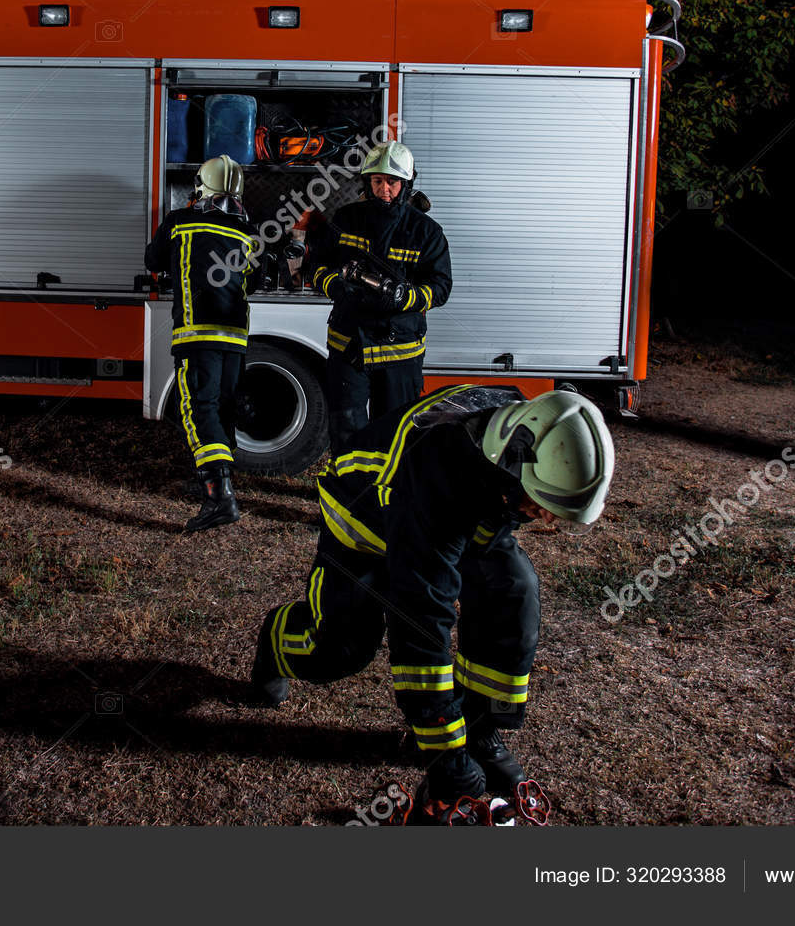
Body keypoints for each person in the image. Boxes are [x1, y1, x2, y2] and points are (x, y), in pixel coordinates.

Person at [249, 386, 616, 815]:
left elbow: (486, 510)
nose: (550, 520)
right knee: (342, 649)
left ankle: (480, 728)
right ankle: (277, 644)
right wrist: (443, 750)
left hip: (458, 509)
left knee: (512, 592)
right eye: (547, 506)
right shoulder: (440, 471)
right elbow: (422, 621)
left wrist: (468, 742)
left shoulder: (520, 435)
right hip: (368, 518)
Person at [307, 141, 450, 455]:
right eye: (378, 181)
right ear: (367, 183)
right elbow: (315, 266)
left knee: (397, 430)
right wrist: (335, 285)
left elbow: (440, 288)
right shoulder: (345, 219)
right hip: (349, 345)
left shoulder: (426, 232)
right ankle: (346, 492)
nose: (385, 189)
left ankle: (388, 496)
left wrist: (406, 297)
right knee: (346, 425)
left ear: (406, 184)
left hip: (400, 351)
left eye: (393, 182)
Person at [144, 155, 260, 531]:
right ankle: (222, 482)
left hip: (197, 335)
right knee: (223, 408)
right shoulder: (248, 233)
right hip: (234, 339)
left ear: (200, 188)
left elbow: (153, 259)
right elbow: (254, 283)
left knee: (198, 410)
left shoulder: (180, 223)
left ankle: (218, 498)